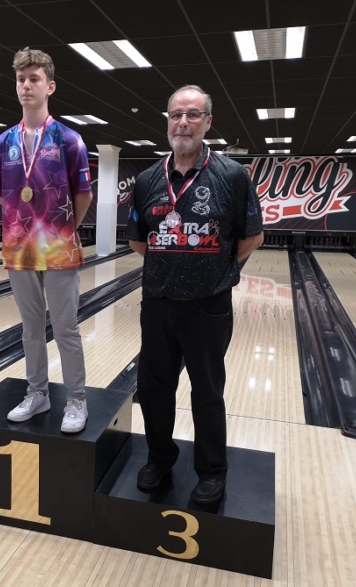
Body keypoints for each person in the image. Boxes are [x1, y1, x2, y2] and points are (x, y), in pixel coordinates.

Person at [127, 85, 264, 504]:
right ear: (167, 121)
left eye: (192, 115)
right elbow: (138, 240)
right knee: (154, 389)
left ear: (208, 122)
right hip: (159, 303)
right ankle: (159, 458)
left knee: (207, 391)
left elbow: (251, 236)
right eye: (175, 115)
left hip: (208, 307)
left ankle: (211, 470)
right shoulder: (148, 179)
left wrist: (219, 272)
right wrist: (174, 261)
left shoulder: (232, 177)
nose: (182, 122)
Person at [0, 47, 94, 433]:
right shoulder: (2, 145)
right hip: (19, 251)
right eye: (21, 79)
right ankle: (38, 393)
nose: (26, 86)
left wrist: (62, 231)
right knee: (30, 328)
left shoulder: (70, 139)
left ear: (50, 86)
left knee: (66, 329)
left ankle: (77, 400)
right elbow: (3, 196)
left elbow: (83, 194)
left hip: (58, 249)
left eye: (34, 79)